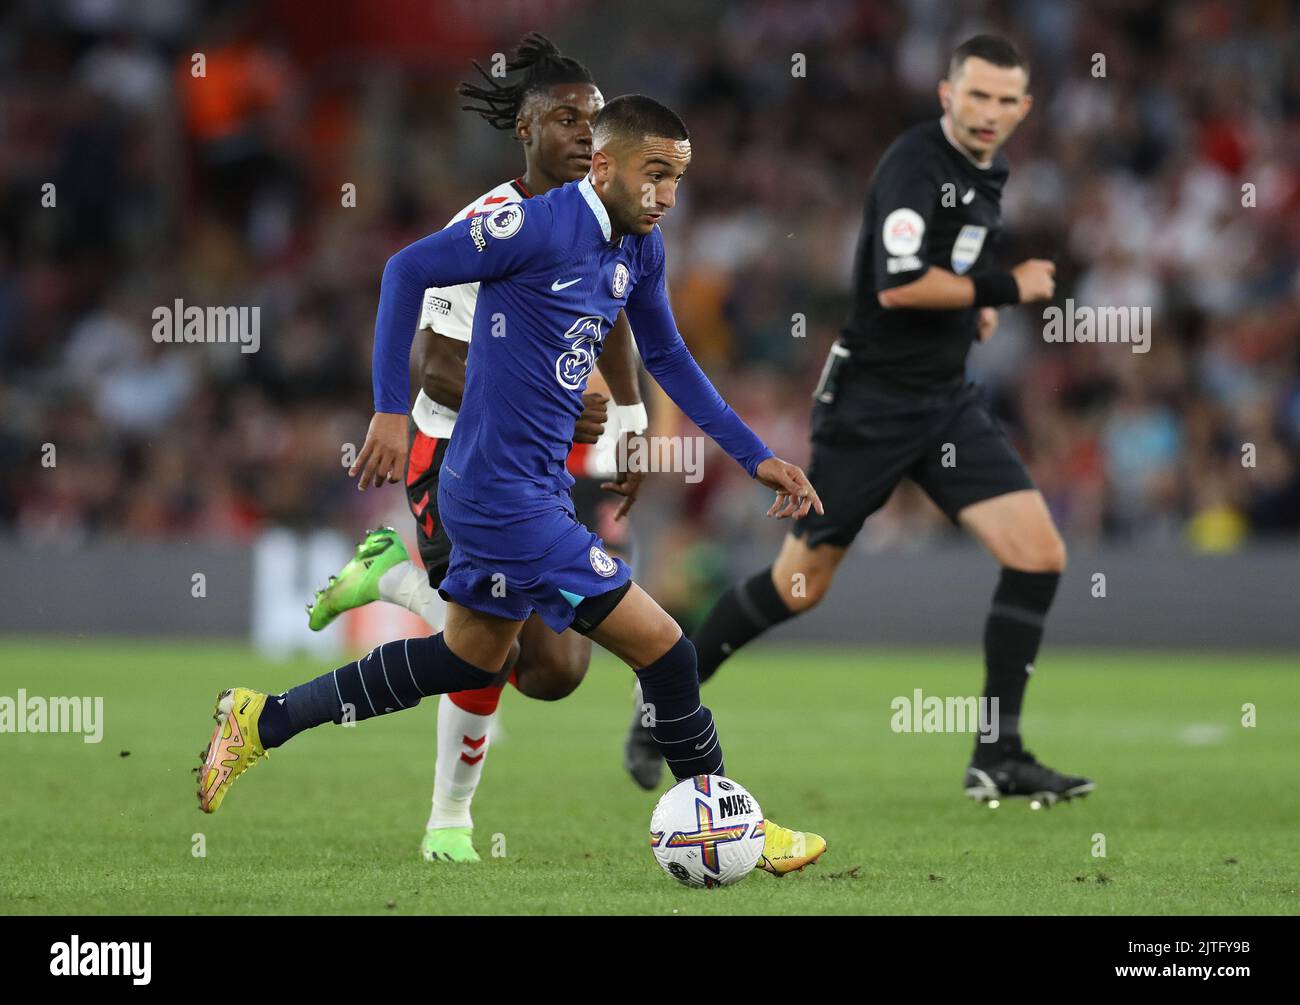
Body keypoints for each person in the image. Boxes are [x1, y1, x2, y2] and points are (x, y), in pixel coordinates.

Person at [198, 93, 829, 877]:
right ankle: (737, 825)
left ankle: (264, 720)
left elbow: (669, 359)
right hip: (501, 497)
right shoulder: (536, 226)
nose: (667, 195)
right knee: (667, 652)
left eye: (678, 179)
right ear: (604, 167)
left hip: (533, 489)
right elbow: (406, 269)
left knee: (466, 662)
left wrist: (756, 455)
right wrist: (391, 413)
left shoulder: (640, 249)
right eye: (655, 175)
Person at [635, 35, 1093, 807]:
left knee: (1039, 552)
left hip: (944, 403)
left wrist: (975, 307)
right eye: (974, 95)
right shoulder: (917, 163)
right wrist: (1004, 287)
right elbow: (899, 286)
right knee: (798, 586)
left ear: (1024, 107)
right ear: (947, 95)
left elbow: (944, 273)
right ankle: (660, 709)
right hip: (872, 406)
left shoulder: (991, 171)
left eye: (1003, 99)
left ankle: (998, 754)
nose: (988, 112)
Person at [302, 34, 647, 864]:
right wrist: (561, 406)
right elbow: (436, 361)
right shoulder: (496, 225)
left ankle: (394, 579)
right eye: (565, 119)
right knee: (482, 648)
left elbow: (614, 309)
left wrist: (632, 419)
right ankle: (448, 822)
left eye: (595, 122)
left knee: (557, 671)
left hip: (530, 470)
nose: (584, 135)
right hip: (453, 462)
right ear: (525, 129)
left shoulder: (600, 219)